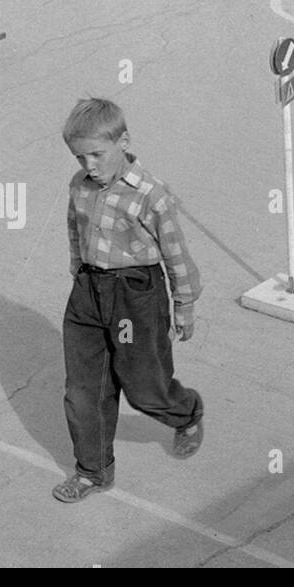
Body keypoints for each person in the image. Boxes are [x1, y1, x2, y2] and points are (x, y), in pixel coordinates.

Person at [54, 98, 203, 503]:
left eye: (98, 155)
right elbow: (74, 229)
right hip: (87, 294)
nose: (89, 165)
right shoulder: (78, 186)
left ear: (124, 141)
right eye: (80, 157)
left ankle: (185, 413)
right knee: (82, 390)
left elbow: (176, 254)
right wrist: (76, 270)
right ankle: (93, 471)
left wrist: (184, 305)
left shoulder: (151, 195)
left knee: (143, 386)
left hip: (134, 297)